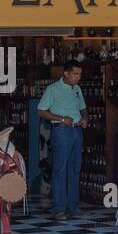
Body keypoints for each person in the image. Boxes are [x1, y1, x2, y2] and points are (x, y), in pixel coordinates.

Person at [36, 60, 86, 221]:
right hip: (62, 131)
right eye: (75, 74)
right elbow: (41, 111)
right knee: (60, 169)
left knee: (75, 169)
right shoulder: (53, 89)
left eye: (80, 74)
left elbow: (83, 108)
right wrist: (62, 119)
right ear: (66, 73)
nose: (78, 77)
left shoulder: (77, 89)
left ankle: (73, 206)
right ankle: (58, 209)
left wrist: (85, 117)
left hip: (77, 130)